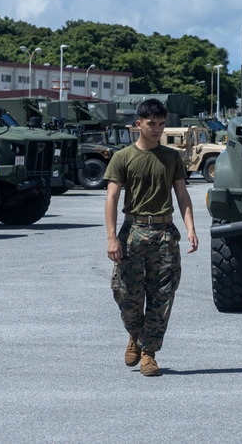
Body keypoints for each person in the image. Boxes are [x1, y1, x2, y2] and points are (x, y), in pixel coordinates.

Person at [104, 98, 198, 376]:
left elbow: (182, 195)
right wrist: (111, 238)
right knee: (124, 292)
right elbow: (112, 198)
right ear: (139, 124)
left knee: (162, 295)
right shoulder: (123, 157)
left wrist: (190, 228)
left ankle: (148, 353)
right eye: (151, 124)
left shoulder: (171, 157)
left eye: (161, 124)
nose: (157, 129)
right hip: (133, 232)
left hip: (164, 234)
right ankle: (135, 334)